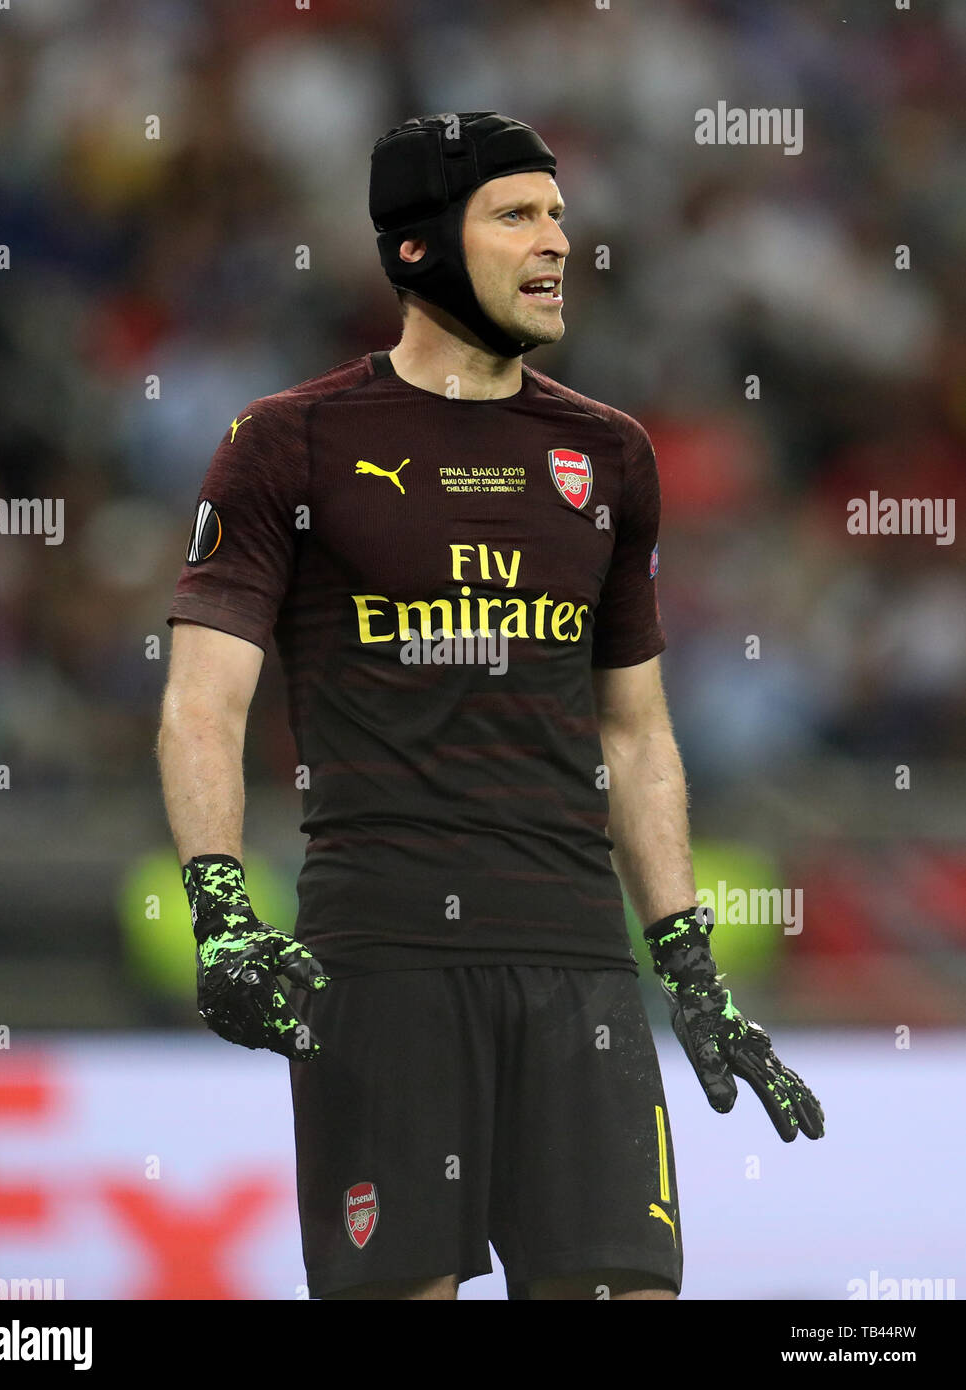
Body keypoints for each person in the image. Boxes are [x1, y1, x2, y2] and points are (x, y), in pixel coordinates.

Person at [157, 111, 824, 1302]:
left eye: (558, 215)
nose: (556, 241)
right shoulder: (285, 444)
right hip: (381, 960)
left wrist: (686, 963)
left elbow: (635, 732)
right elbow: (203, 705)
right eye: (516, 215)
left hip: (578, 959)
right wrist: (219, 909)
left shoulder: (607, 455)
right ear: (416, 250)